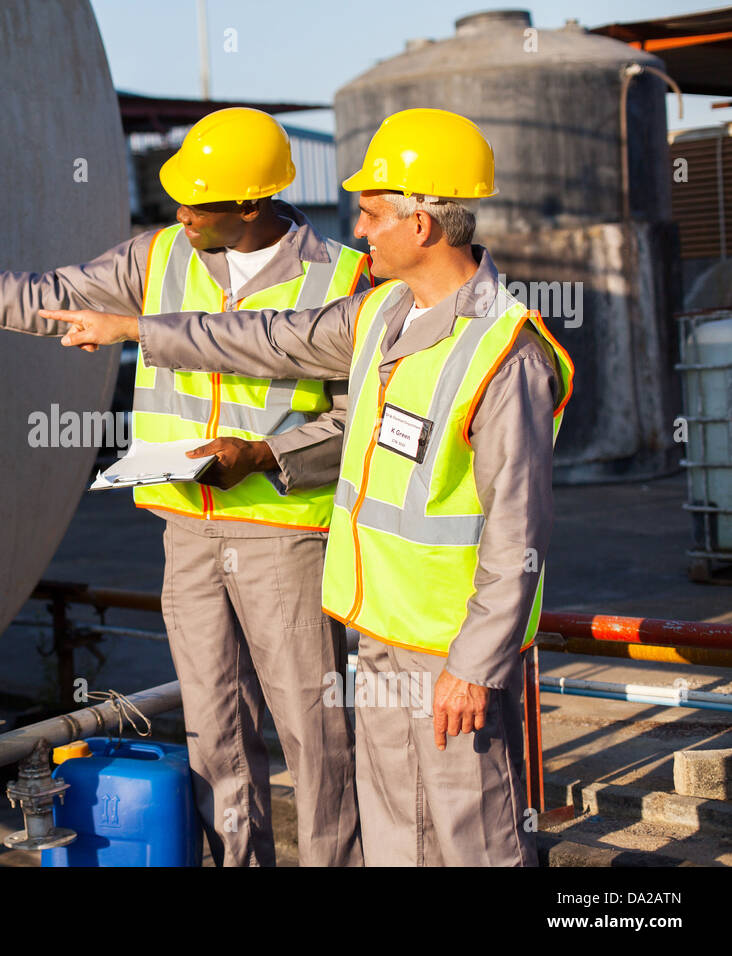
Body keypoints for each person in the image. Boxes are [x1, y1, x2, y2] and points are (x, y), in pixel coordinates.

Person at [0, 108, 368, 867]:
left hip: (284, 537)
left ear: (252, 205)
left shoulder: (343, 277)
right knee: (213, 733)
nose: (179, 213)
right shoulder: (157, 257)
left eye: (198, 203)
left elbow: (360, 418)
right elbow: (43, 299)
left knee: (314, 737)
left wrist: (265, 453)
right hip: (185, 531)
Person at [46, 108, 575, 866]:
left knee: (472, 834)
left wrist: (476, 663)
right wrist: (134, 329)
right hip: (379, 631)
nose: (359, 230)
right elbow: (263, 337)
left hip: (450, 649)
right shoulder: (382, 314)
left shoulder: (505, 354)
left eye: (372, 213)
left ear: (422, 224)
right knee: (395, 832)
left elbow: (518, 531)